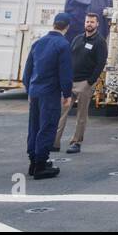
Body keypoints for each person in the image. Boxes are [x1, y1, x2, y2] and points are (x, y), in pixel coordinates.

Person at [23, 12, 73, 179]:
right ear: (67, 27)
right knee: (48, 126)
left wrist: (28, 89)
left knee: (34, 127)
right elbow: (64, 72)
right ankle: (41, 164)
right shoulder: (63, 45)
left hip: (35, 90)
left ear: (53, 24)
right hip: (50, 92)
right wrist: (67, 93)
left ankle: (33, 161)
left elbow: (27, 71)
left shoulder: (38, 43)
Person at [55, 11, 108, 155]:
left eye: (92, 22)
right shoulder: (77, 39)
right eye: (87, 22)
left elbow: (100, 63)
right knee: (61, 112)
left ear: (97, 24)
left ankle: (76, 142)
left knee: (81, 115)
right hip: (70, 81)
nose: (89, 24)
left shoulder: (100, 42)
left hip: (85, 83)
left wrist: (90, 81)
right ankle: (55, 142)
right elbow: (69, 58)